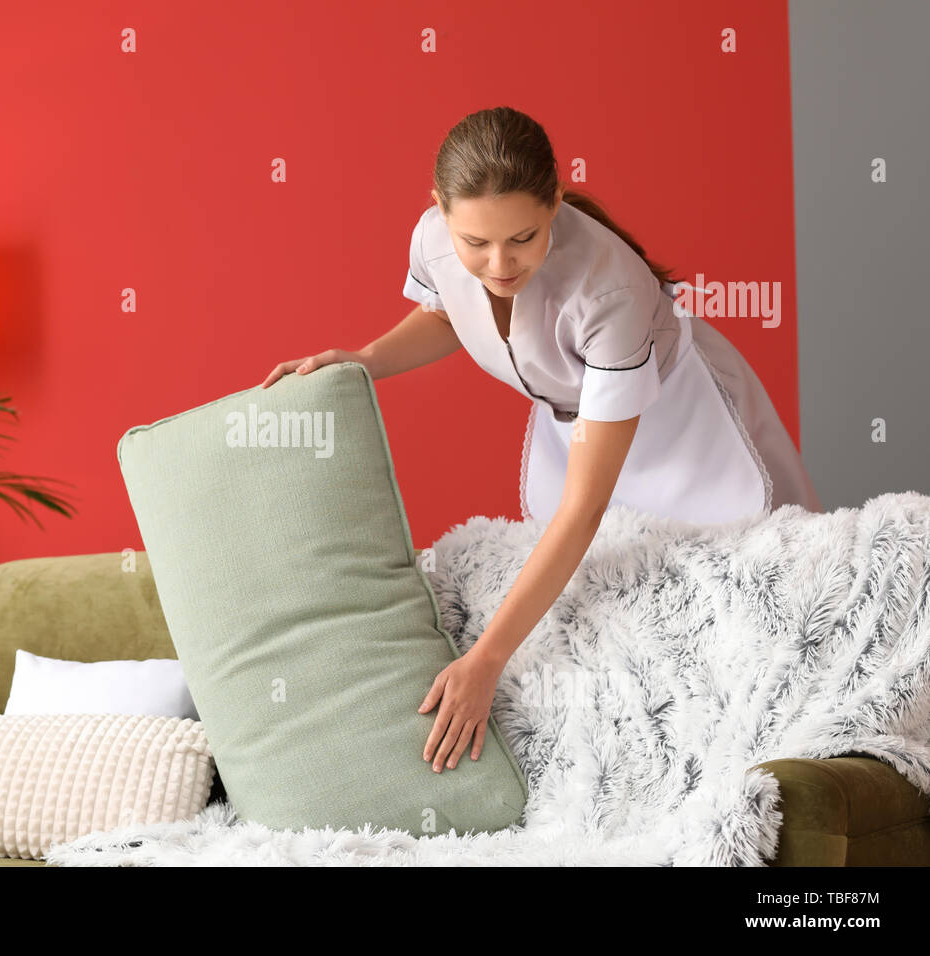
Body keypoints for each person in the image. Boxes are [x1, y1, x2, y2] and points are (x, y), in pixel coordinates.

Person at [260, 106, 824, 776]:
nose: (498, 264)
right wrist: (362, 360)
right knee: (612, 610)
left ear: (555, 203)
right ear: (439, 209)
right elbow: (448, 310)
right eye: (476, 243)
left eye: (524, 238)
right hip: (577, 418)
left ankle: (756, 769)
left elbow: (584, 509)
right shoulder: (435, 238)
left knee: (753, 603)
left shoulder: (608, 286)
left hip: (683, 428)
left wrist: (486, 661)